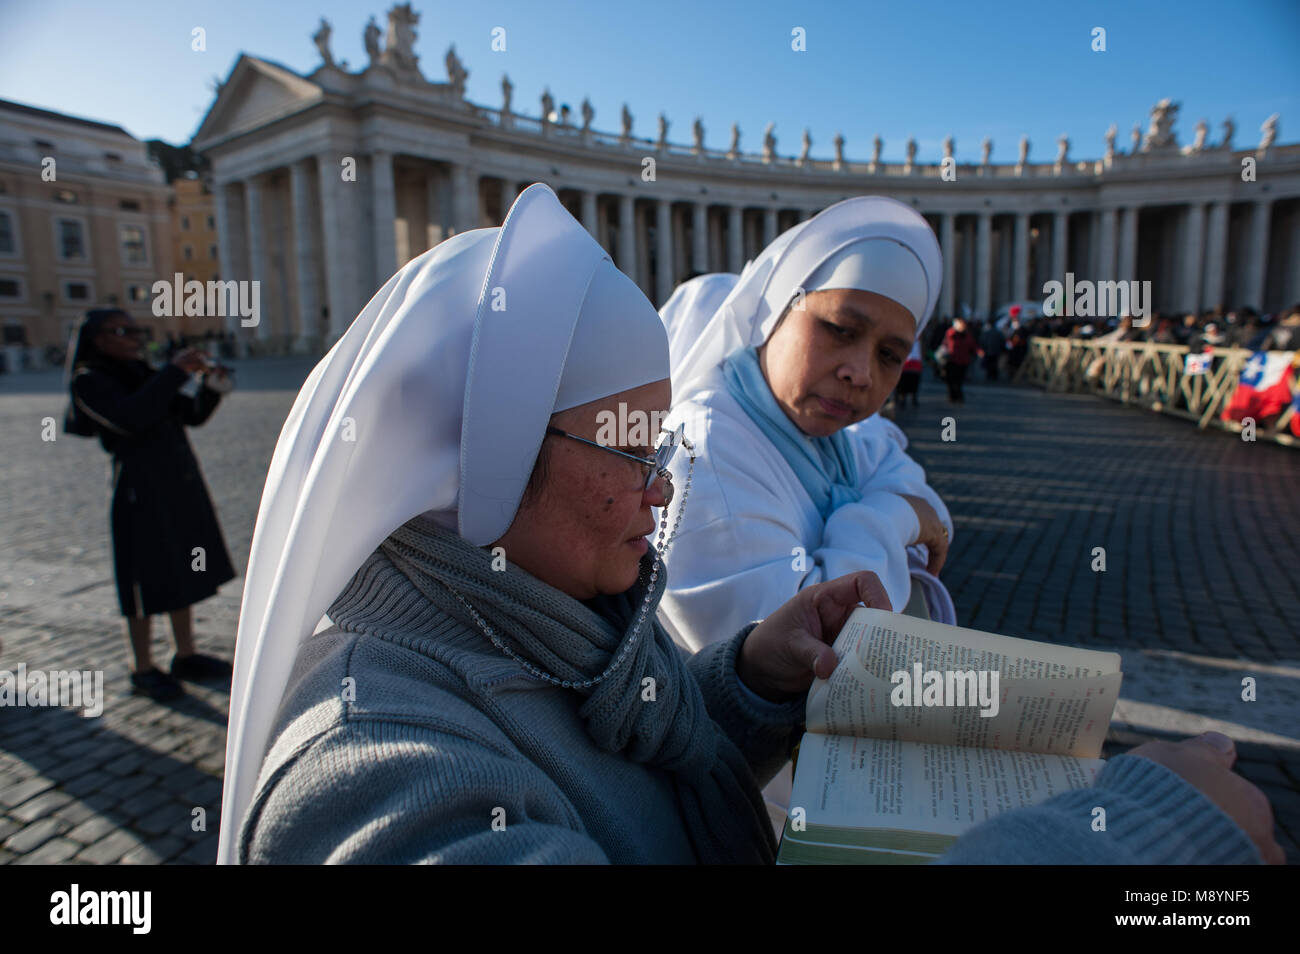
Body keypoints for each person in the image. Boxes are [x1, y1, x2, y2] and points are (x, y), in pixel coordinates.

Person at [218, 185, 1279, 866]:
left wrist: (747, 682)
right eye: (635, 450)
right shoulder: (371, 776)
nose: (665, 490)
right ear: (479, 460)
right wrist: (1134, 842)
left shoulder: (535, 607)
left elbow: (621, 761)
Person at [64, 308, 236, 700]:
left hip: (178, 482)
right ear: (97, 340)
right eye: (122, 331)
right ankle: (140, 665)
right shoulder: (89, 381)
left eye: (136, 330)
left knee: (184, 569)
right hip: (138, 489)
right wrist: (173, 373)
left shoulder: (144, 372)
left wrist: (212, 388)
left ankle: (185, 652)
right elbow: (131, 417)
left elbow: (188, 415)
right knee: (142, 577)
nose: (134, 337)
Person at [942, 316, 978, 402]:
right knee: (950, 379)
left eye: (963, 324)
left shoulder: (967, 335)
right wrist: (955, 330)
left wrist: (978, 351)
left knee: (959, 380)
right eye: (960, 324)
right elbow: (947, 340)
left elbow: (973, 345)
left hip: (963, 361)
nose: (962, 326)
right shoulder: (951, 333)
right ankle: (952, 395)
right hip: (951, 360)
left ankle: (959, 396)